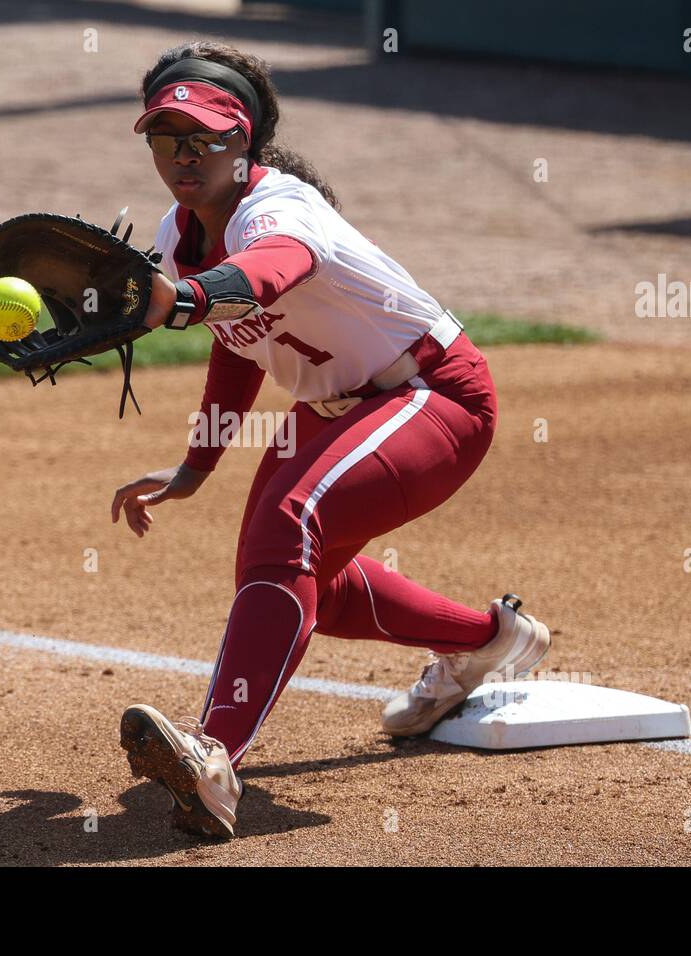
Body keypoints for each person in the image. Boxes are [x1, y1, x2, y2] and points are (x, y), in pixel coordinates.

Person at [110, 42, 551, 839]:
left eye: (205, 134)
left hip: (435, 394)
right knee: (306, 576)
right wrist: (195, 464)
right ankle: (492, 641)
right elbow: (233, 338)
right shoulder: (183, 241)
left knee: (291, 527)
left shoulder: (279, 209)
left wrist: (180, 302)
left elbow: (271, 271)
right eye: (165, 134)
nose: (184, 152)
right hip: (336, 408)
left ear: (245, 140)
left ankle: (214, 755)